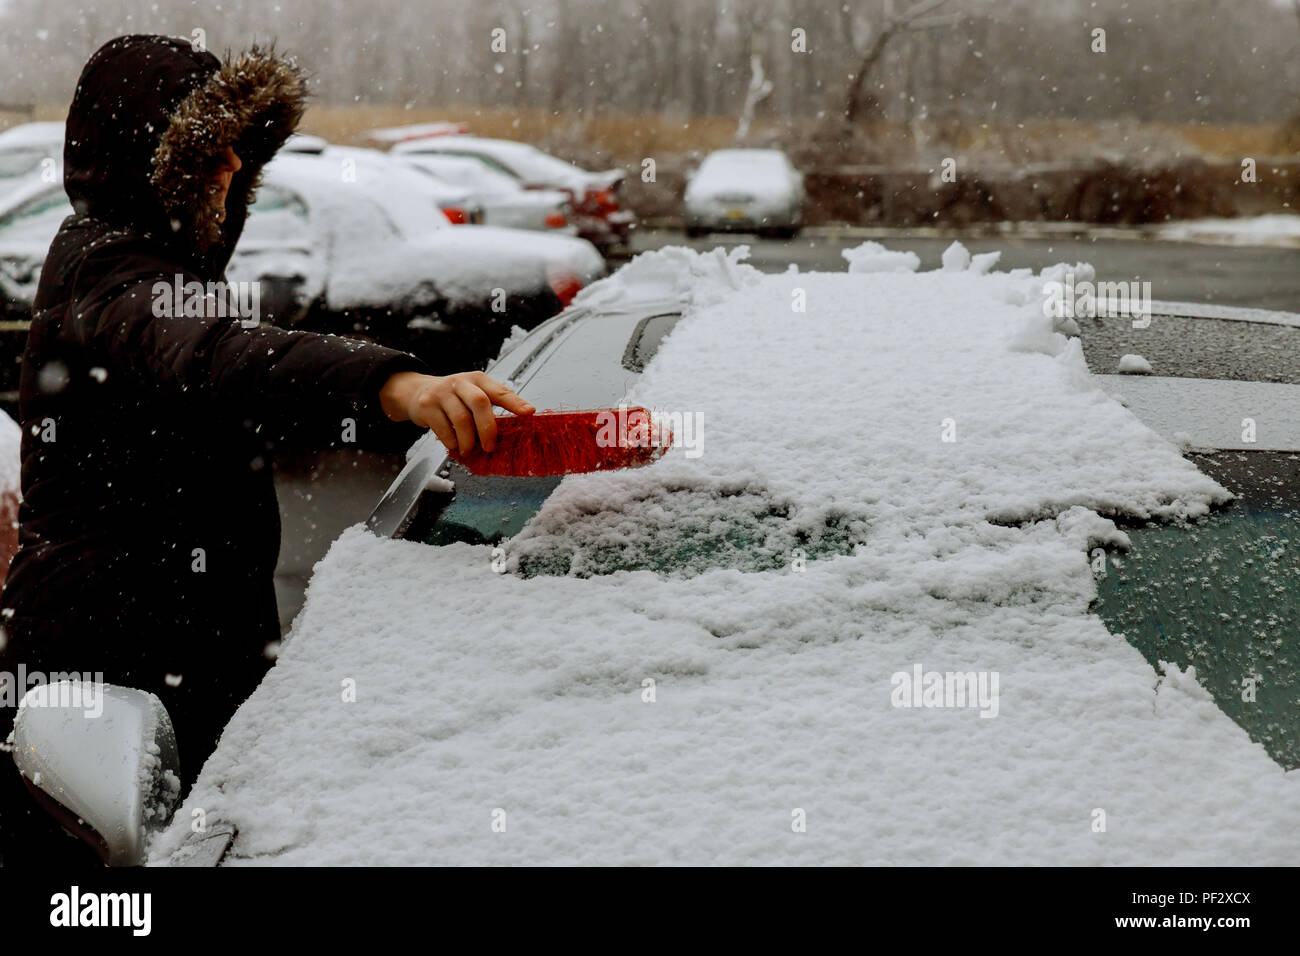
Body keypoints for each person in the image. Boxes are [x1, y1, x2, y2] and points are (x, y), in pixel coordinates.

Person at [0, 34, 533, 864]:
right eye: (207, 154)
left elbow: (222, 382)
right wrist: (401, 388)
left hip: (185, 648)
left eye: (238, 157)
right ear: (148, 164)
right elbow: (223, 354)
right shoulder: (111, 277)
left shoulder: (151, 265)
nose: (226, 172)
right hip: (108, 673)